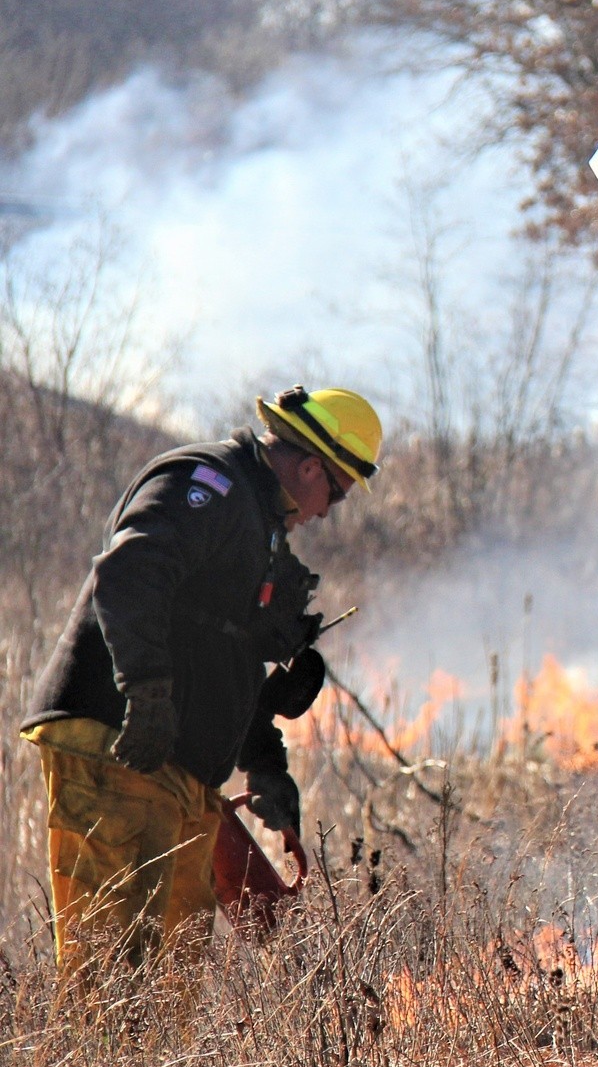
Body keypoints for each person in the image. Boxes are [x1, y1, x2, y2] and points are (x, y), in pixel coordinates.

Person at [20, 386, 382, 966]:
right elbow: (130, 574)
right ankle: (93, 1061)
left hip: (178, 765)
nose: (325, 512)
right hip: (119, 744)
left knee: (172, 979)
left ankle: (140, 1062)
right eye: (335, 495)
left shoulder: (261, 528)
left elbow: (223, 652)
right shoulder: (209, 484)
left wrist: (264, 763)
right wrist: (146, 696)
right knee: (113, 971)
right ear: (312, 466)